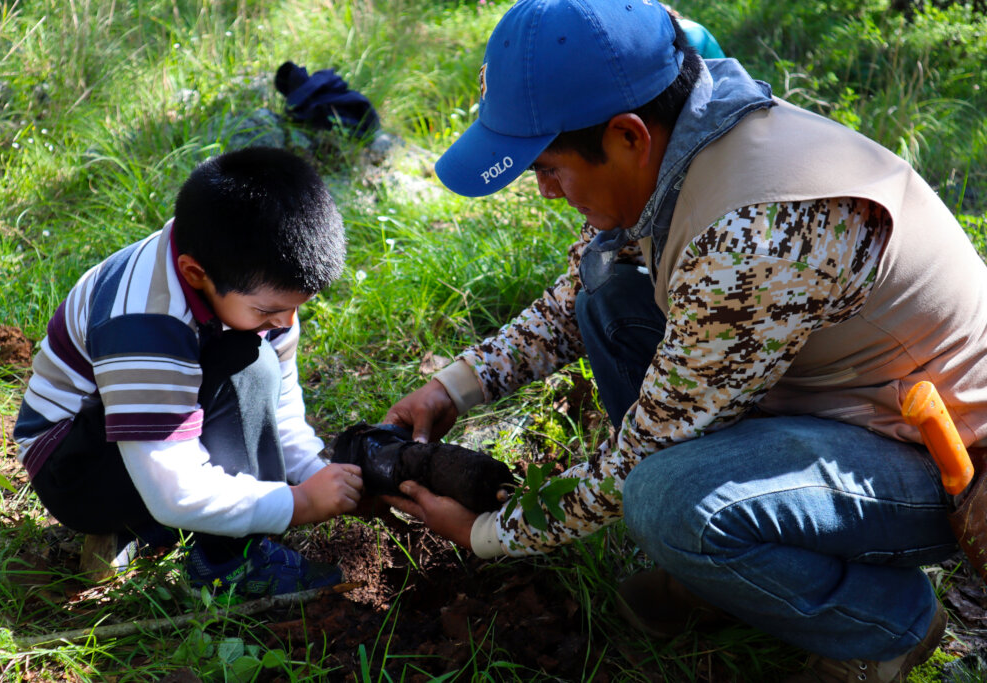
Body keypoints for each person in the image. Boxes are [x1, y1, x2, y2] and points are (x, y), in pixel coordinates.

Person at [381, 1, 987, 681]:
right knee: (606, 293)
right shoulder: (684, 137)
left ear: (627, 136)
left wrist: (486, 534)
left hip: (939, 460)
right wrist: (454, 387)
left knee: (664, 499)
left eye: (547, 169)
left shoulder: (754, 235)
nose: (547, 192)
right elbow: (579, 290)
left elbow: (646, 450)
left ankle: (885, 623)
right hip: (834, 400)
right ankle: (736, 566)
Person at [14, 147, 364, 599]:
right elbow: (174, 491)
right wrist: (298, 503)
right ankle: (226, 564)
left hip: (136, 440)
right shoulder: (142, 322)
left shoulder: (252, 291)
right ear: (195, 273)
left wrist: (316, 472)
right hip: (74, 472)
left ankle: (156, 529)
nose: (285, 322)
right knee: (249, 365)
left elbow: (281, 405)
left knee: (254, 361)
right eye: (270, 310)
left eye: (296, 307)